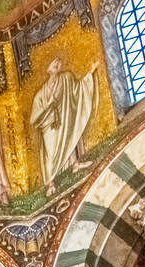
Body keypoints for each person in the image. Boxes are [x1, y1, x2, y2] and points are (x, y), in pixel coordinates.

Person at [29, 57, 97, 196]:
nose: (57, 66)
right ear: (48, 70)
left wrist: (90, 73)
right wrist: (47, 107)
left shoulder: (66, 78)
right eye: (54, 65)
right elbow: (33, 119)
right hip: (49, 126)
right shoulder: (40, 94)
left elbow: (78, 89)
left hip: (64, 119)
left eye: (59, 65)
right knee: (50, 154)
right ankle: (50, 183)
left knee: (69, 137)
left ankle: (75, 164)